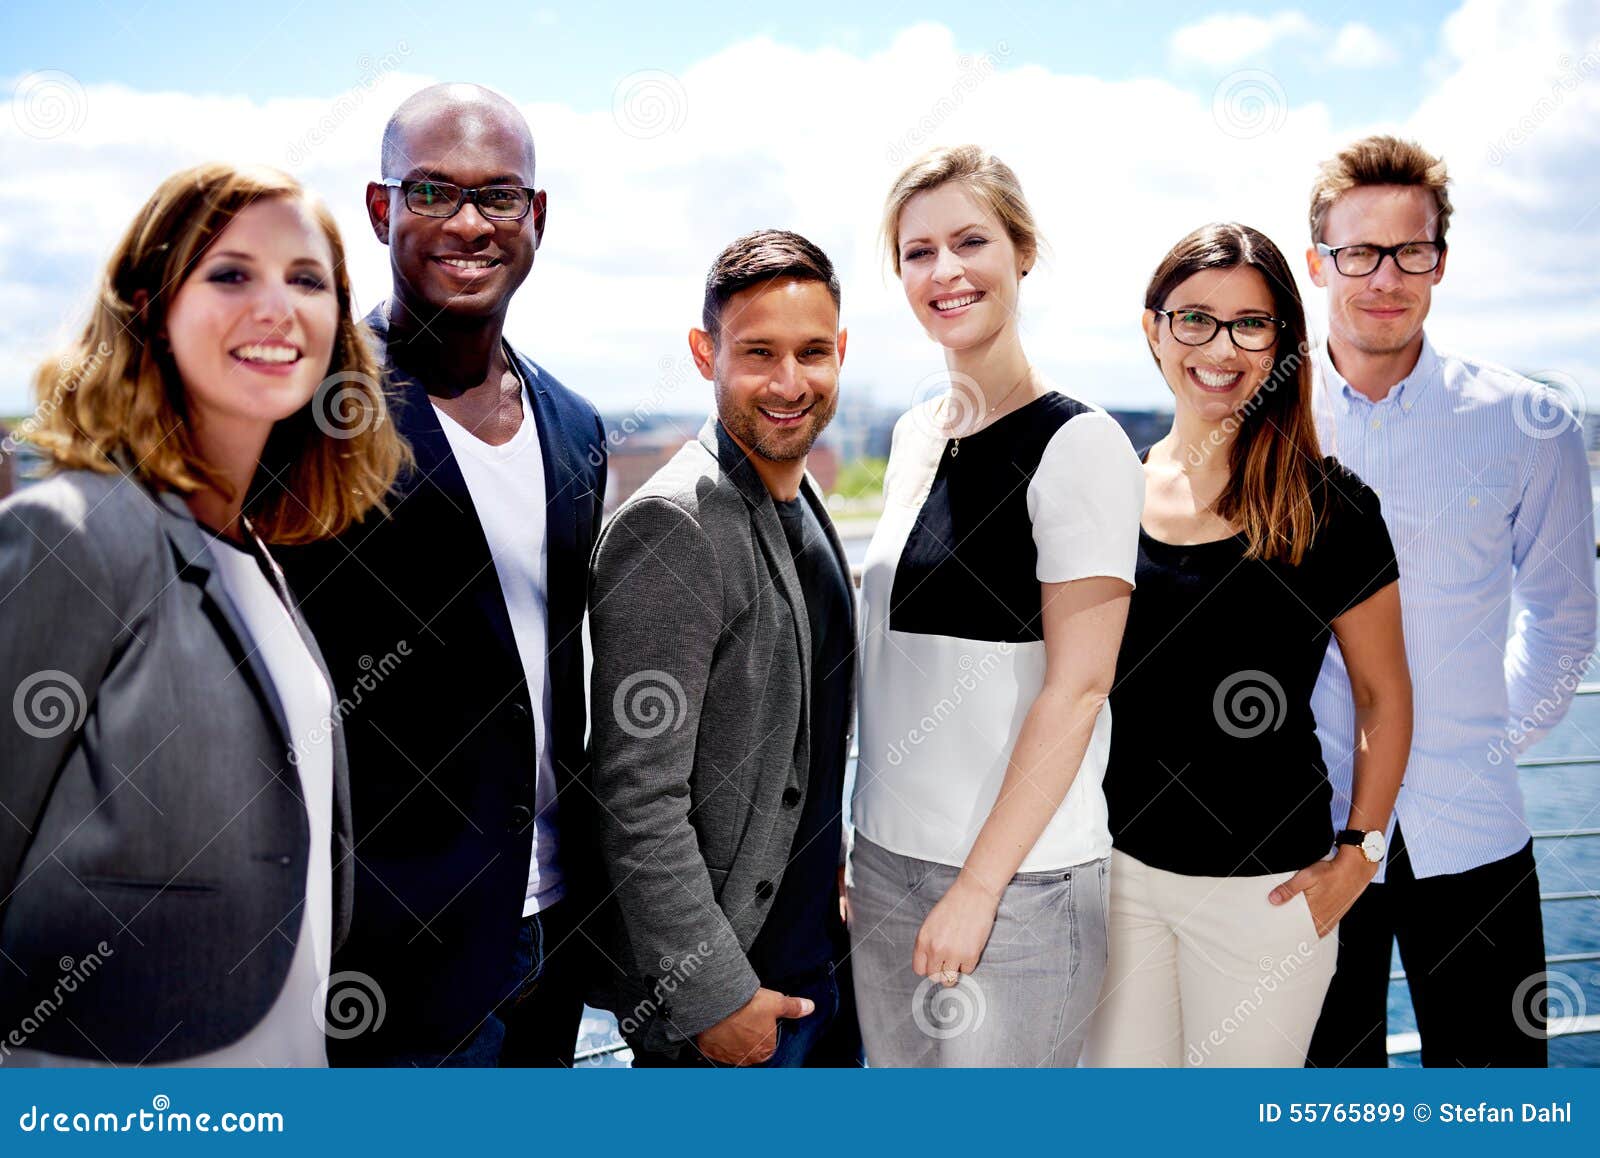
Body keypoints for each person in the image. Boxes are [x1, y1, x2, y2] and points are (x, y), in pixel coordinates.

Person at [0, 162, 406, 1066]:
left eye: (307, 280)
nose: (277, 307)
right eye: (230, 274)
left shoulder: (255, 551)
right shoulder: (75, 533)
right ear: (150, 308)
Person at [277, 84, 607, 1068]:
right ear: (381, 210)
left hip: (553, 934)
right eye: (432, 192)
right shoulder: (308, 414)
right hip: (382, 963)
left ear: (535, 217)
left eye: (499, 196)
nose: (469, 223)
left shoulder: (576, 426)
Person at [1082, 223, 1412, 1068]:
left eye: (1251, 324)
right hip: (1115, 877)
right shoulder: (1104, 495)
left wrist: (1360, 855)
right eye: (1195, 319)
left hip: (1265, 896)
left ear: (1282, 341)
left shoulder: (1331, 509)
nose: (1221, 348)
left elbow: (1382, 695)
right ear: (1154, 330)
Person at [1302, 136, 1596, 1068]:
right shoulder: (1265, 420)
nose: (1385, 277)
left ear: (1441, 261)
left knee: (1499, 1106)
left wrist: (1483, 743)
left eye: (1410, 250)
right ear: (1318, 263)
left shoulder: (1528, 423)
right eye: (1359, 252)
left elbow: (1563, 619)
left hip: (1475, 838)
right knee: (1321, 1113)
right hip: (1304, 844)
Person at [848, 145, 1142, 1067]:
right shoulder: (913, 435)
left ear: (1023, 251)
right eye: (918, 251)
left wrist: (977, 890)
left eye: (970, 241)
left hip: (1017, 888)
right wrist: (861, 850)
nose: (945, 270)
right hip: (883, 868)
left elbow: (1080, 690)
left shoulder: (1079, 443)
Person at [589, 230, 861, 1068]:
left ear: (841, 351)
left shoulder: (803, 498)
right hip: (732, 1000)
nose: (790, 383)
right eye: (758, 353)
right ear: (706, 353)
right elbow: (636, 793)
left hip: (818, 967)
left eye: (812, 352)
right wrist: (712, 996)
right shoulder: (674, 525)